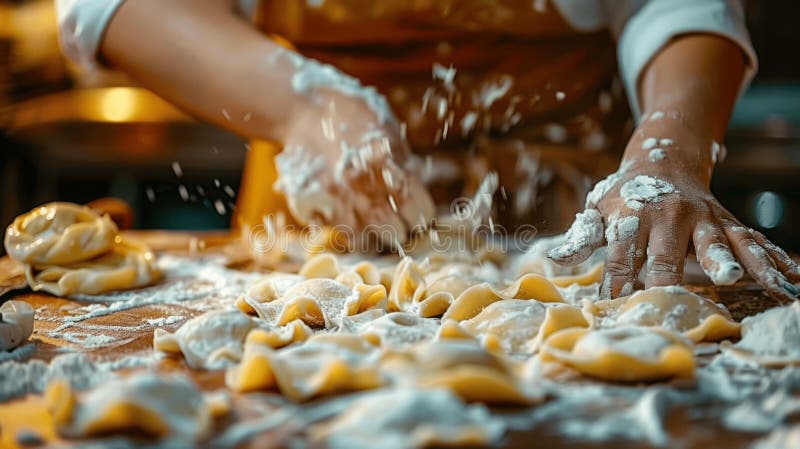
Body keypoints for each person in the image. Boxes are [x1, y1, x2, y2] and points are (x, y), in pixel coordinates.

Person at [55, 0, 800, 302]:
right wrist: (303, 105)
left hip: (575, 259)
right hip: (310, 266)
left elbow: (679, 7)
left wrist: (664, 152)